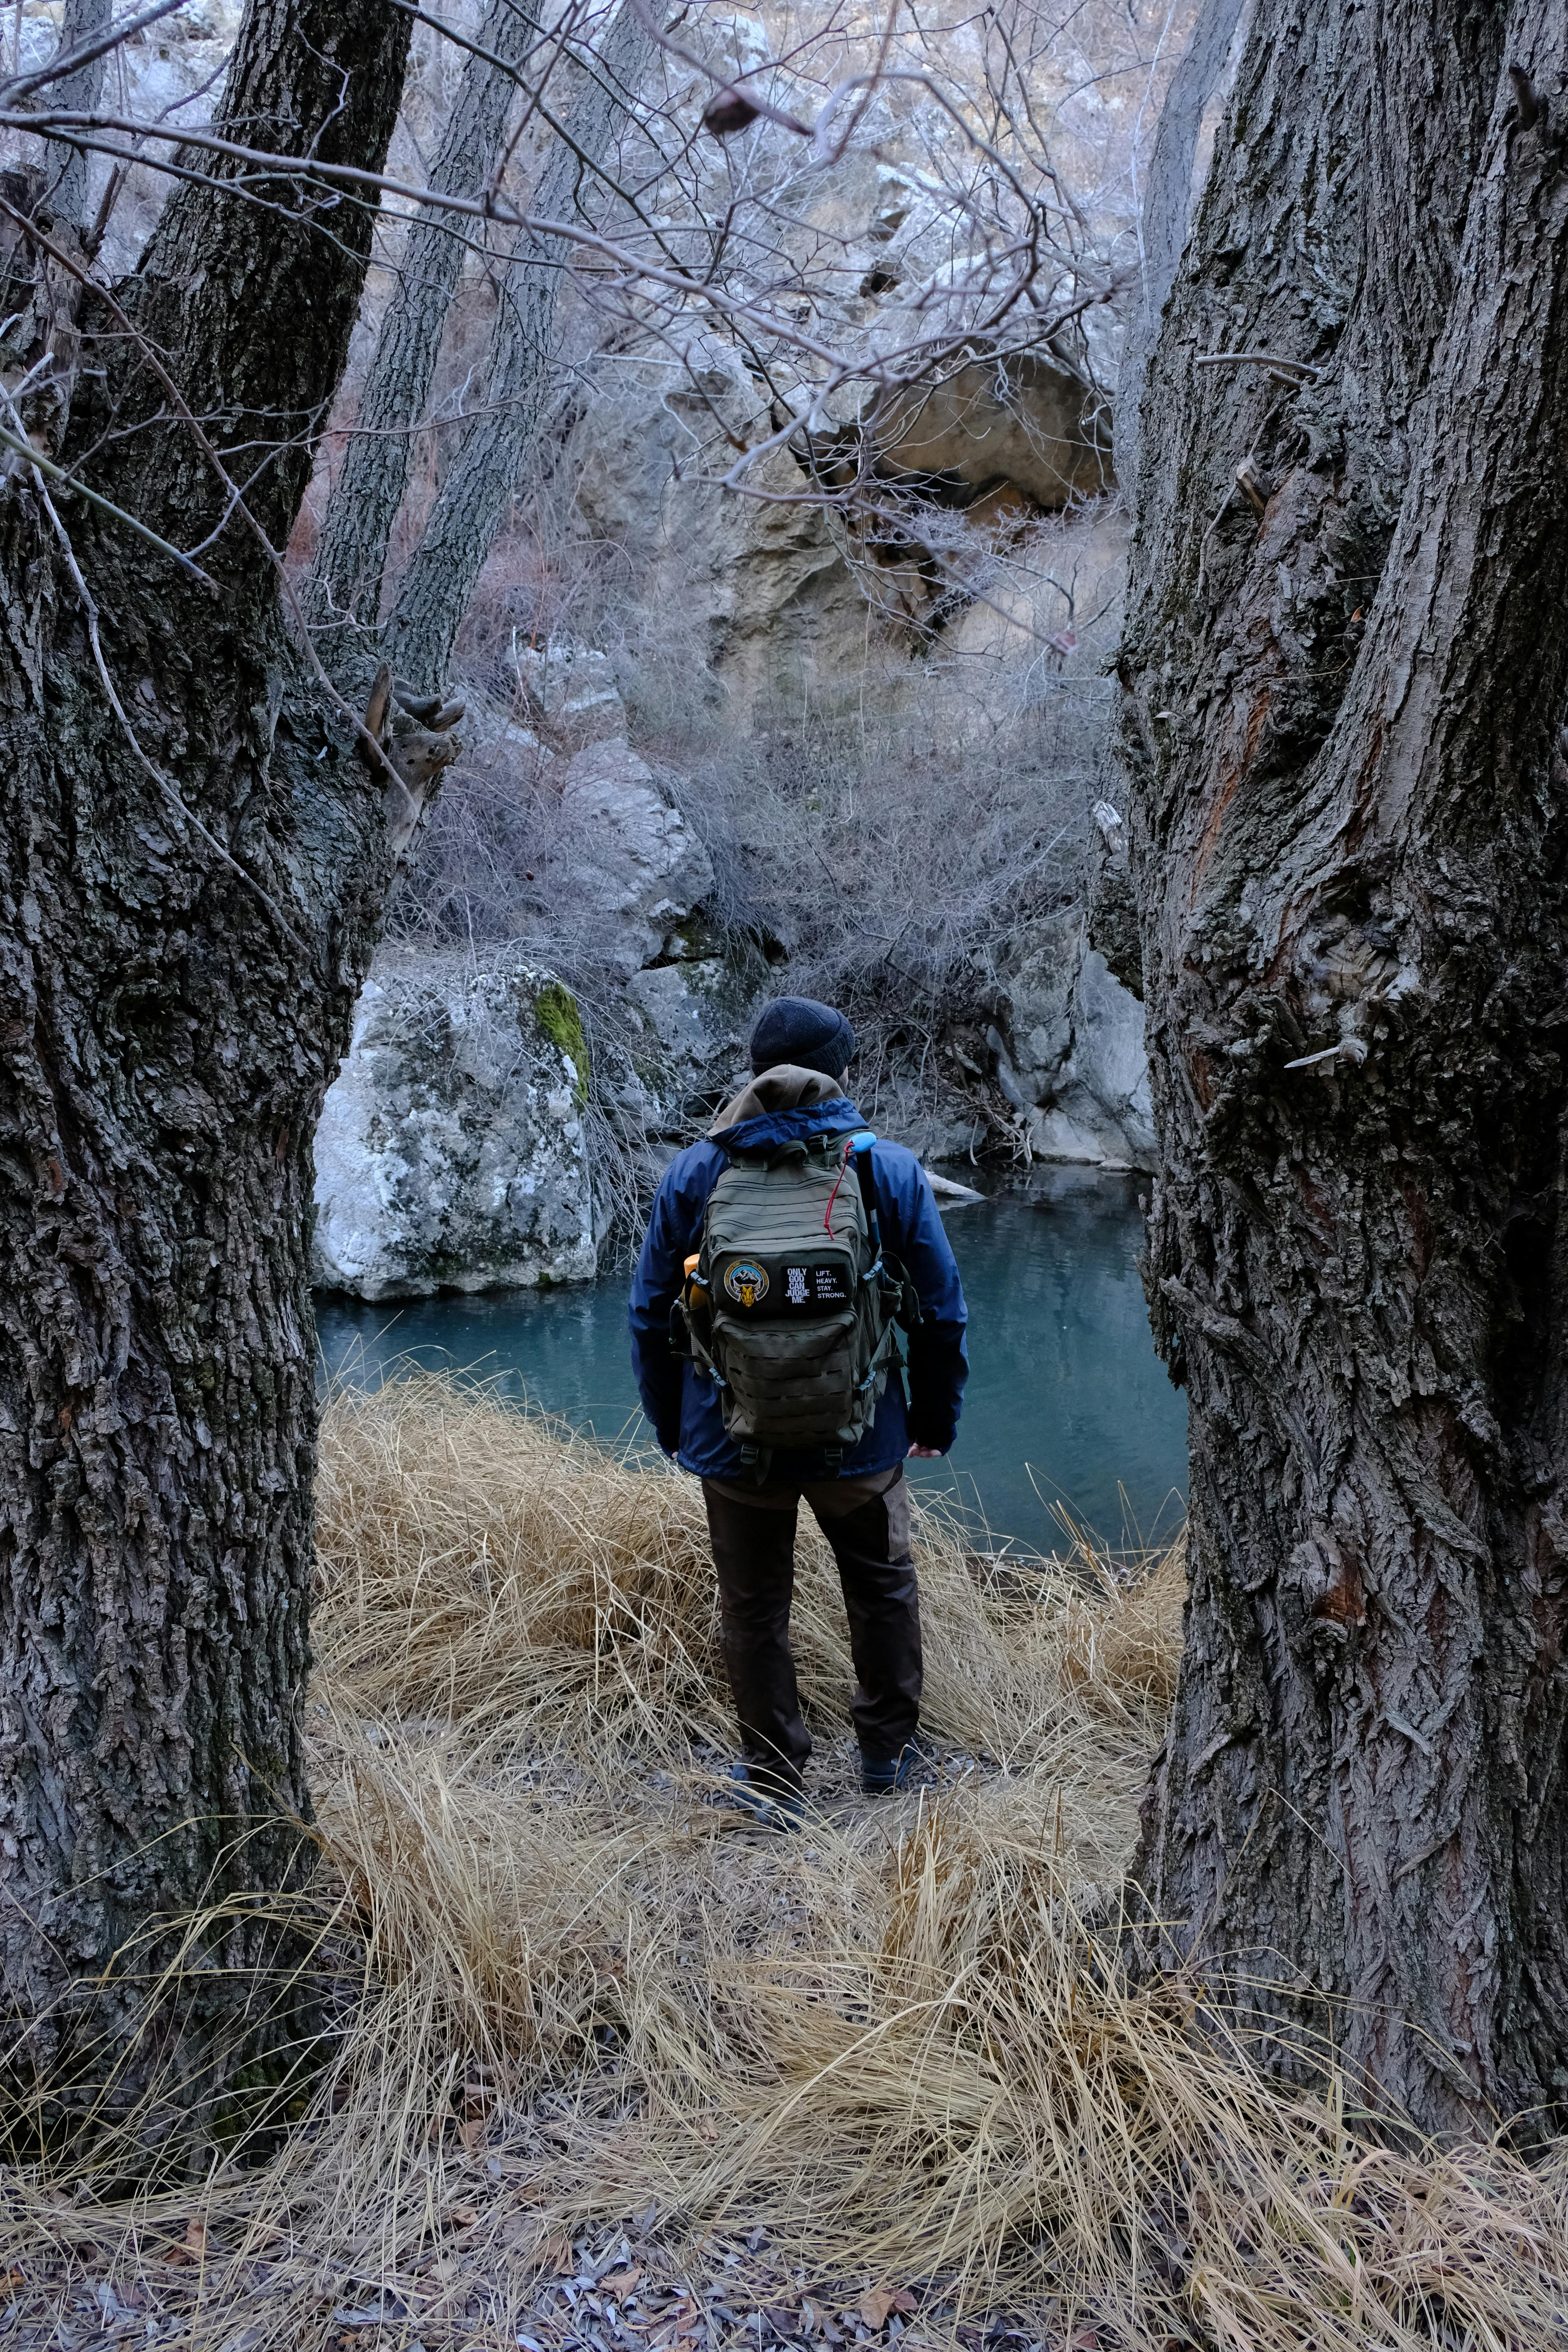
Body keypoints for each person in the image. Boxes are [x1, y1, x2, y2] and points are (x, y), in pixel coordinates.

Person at [629, 995, 968, 1824]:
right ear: (839, 1070)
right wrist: (932, 1419)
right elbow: (941, 1309)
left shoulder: (696, 1171)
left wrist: (675, 1428)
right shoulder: (883, 1167)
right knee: (881, 1585)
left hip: (731, 1437)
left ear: (755, 1069)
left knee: (752, 1602)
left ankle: (774, 1773)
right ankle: (885, 1757)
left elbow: (648, 1315)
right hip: (862, 1436)